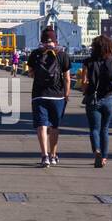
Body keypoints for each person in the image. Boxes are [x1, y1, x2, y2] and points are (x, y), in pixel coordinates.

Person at [29, 25, 73, 167]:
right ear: (56, 40)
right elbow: (67, 78)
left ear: (41, 41)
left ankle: (44, 156)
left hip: (39, 95)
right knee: (54, 126)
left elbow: (31, 74)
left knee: (41, 125)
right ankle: (53, 155)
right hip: (57, 96)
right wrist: (66, 94)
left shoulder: (35, 54)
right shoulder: (62, 55)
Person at [82, 35, 112, 168]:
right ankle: (104, 158)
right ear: (109, 48)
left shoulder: (88, 62)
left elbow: (84, 82)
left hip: (93, 99)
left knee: (94, 128)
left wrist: (85, 91)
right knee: (105, 129)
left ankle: (97, 151)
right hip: (109, 99)